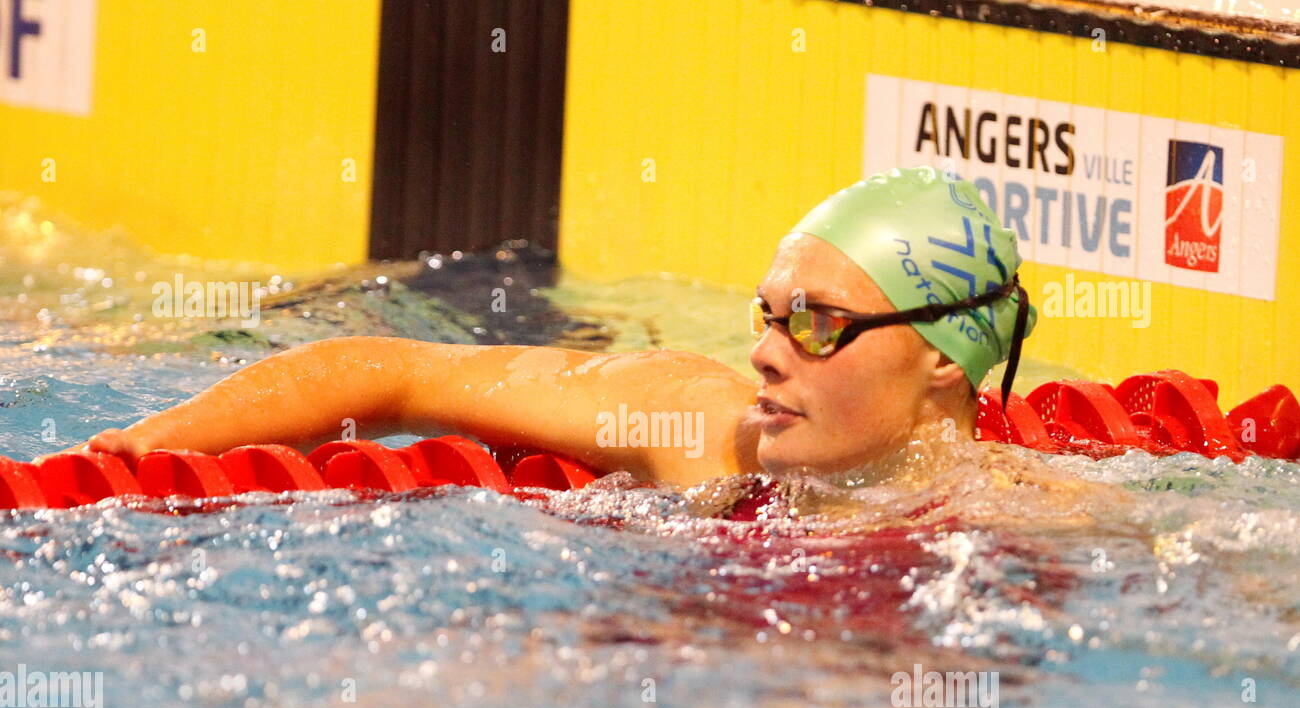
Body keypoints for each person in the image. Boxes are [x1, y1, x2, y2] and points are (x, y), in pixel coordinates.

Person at [62, 166, 1037, 489]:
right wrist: (153, 446)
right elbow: (394, 371)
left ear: (945, 359)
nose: (764, 351)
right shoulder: (698, 430)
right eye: (768, 314)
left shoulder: (1031, 529)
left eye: (817, 325)